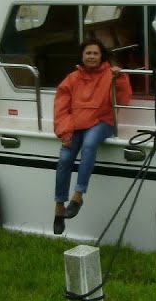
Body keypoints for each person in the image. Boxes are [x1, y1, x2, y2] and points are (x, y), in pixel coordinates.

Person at [52, 37, 132, 234]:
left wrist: (119, 78)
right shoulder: (71, 79)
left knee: (89, 145)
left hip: (102, 122)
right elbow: (61, 109)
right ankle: (59, 209)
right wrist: (65, 132)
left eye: (95, 53)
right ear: (82, 56)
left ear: (101, 56)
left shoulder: (110, 74)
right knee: (65, 158)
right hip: (77, 124)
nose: (92, 56)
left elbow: (124, 99)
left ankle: (78, 197)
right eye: (88, 53)